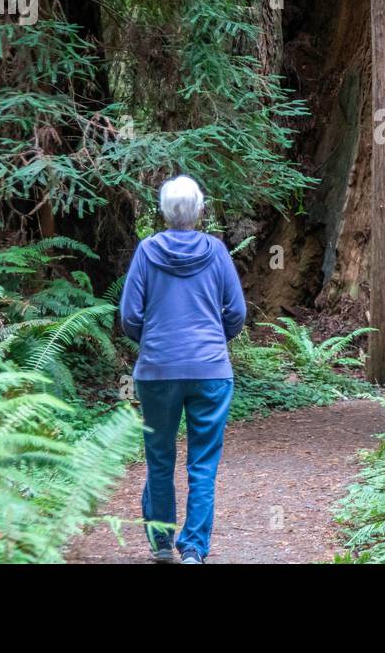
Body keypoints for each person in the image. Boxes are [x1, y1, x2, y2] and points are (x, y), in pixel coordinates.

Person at [119, 175, 246, 564]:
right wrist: (212, 342)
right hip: (210, 372)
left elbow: (129, 316)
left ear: (163, 210)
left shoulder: (146, 250)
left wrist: (156, 342)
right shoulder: (217, 251)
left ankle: (160, 542)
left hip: (157, 370)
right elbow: (236, 313)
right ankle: (193, 549)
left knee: (159, 457)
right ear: (200, 210)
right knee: (202, 463)